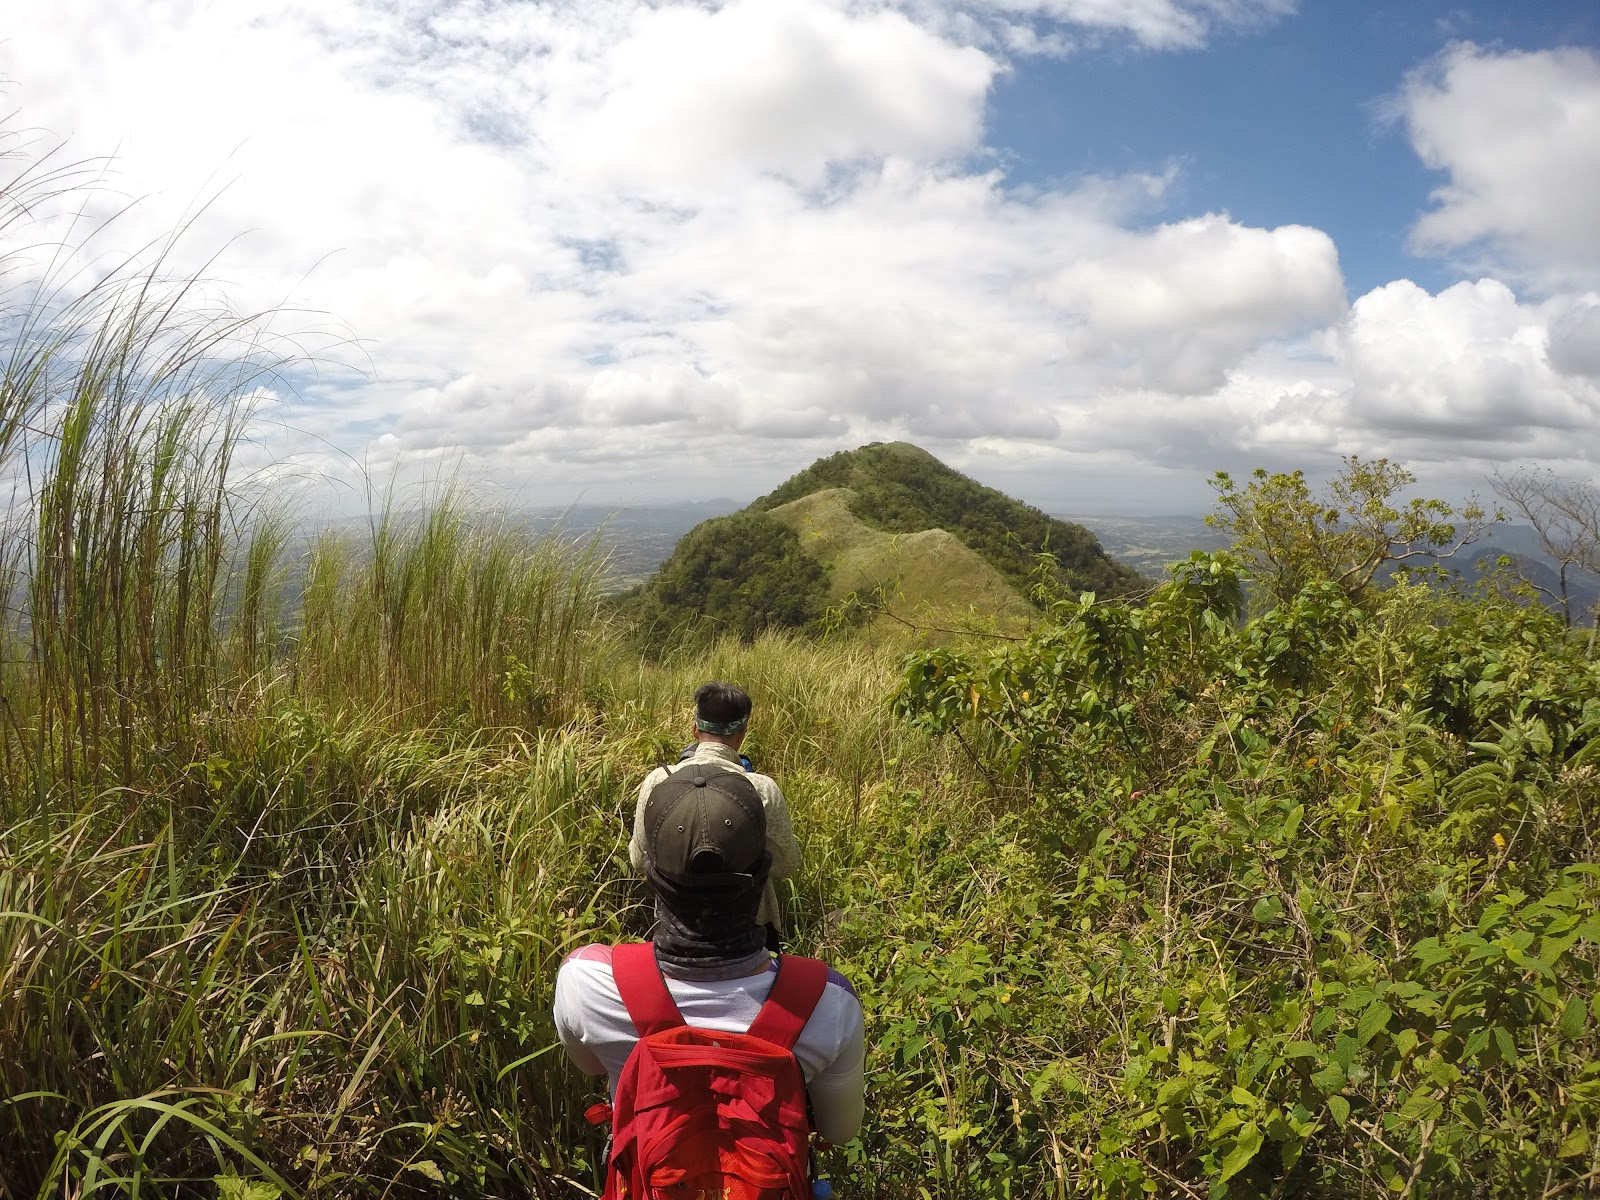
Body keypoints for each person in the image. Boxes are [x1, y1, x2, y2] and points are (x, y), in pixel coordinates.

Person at [554, 766, 866, 1177]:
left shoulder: (586, 982)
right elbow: (840, 1131)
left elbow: (592, 1066)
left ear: (652, 874)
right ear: (761, 873)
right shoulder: (828, 1000)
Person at [630, 681, 800, 950]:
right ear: (742, 732)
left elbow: (640, 859)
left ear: (695, 729)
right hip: (750, 929)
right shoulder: (762, 788)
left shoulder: (657, 781)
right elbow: (786, 863)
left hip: (675, 929)